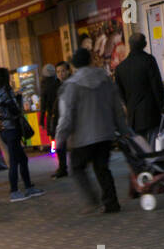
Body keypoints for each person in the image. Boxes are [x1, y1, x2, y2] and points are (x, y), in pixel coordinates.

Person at [55, 47, 130, 215]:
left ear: (73, 65)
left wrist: (60, 138)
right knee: (102, 168)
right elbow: (116, 107)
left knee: (77, 168)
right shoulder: (104, 79)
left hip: (82, 137)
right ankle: (112, 203)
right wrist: (123, 129)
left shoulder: (71, 86)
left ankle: (91, 200)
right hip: (105, 133)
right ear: (90, 60)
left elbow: (66, 116)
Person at [0, 67, 43, 202]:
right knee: (14, 161)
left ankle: (28, 187)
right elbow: (14, 109)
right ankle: (14, 191)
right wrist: (17, 98)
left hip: (3, 129)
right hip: (11, 128)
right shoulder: (5, 91)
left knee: (21, 159)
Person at [115, 32, 164, 143]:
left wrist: (129, 105)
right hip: (151, 113)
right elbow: (156, 86)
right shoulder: (148, 60)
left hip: (133, 117)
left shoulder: (120, 68)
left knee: (142, 148)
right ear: (144, 44)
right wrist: (163, 107)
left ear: (129, 45)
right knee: (155, 145)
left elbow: (120, 93)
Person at [52, 62, 73, 178]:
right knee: (60, 144)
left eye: (63, 71)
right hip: (60, 118)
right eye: (58, 72)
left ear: (68, 71)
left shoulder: (72, 84)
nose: (61, 74)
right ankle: (62, 167)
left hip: (71, 118)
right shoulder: (56, 85)